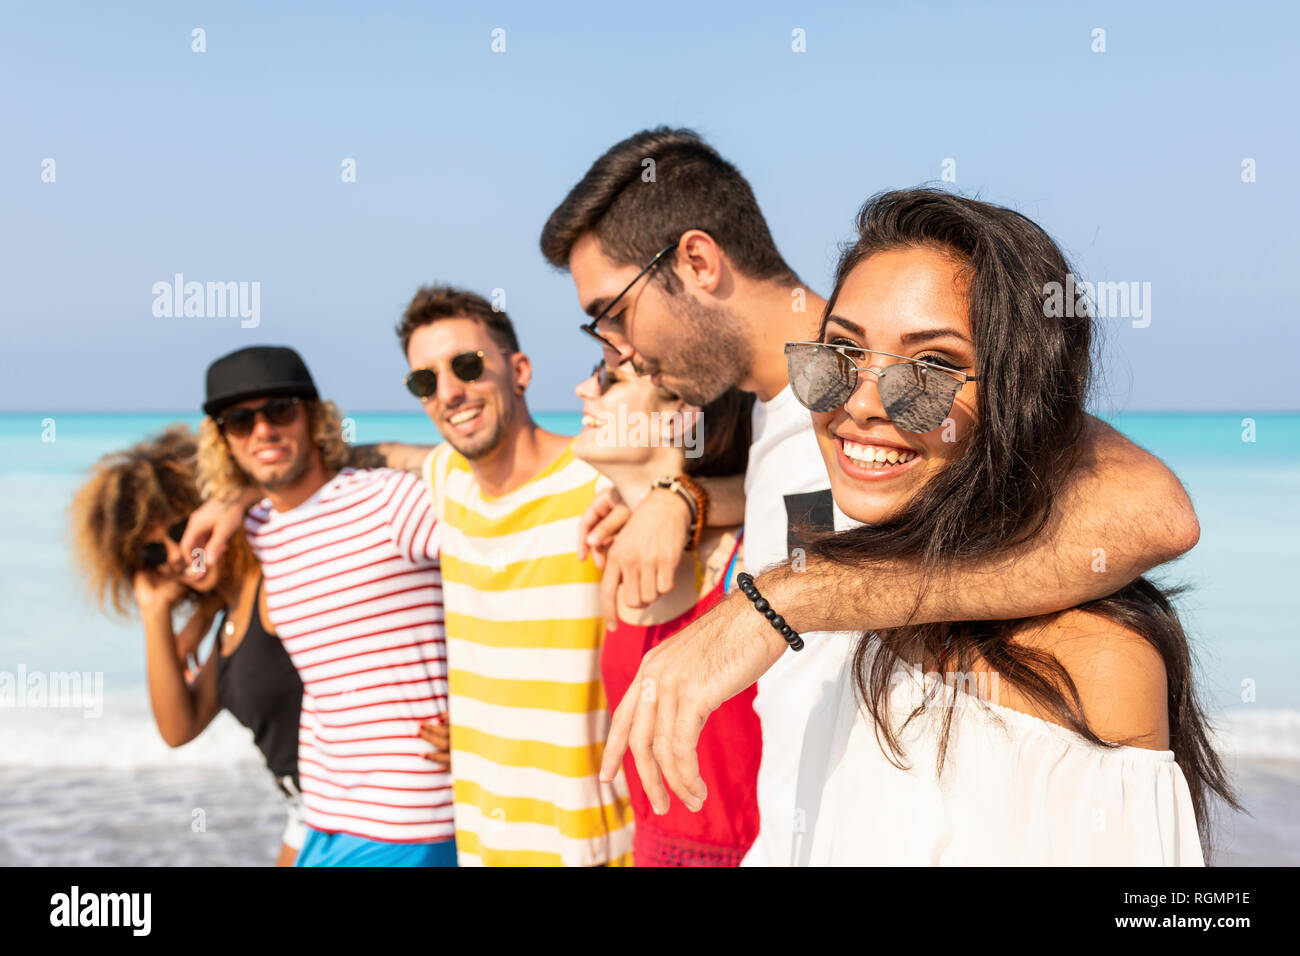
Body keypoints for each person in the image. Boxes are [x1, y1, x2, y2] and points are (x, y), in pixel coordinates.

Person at [541, 127, 1203, 866]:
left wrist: (780, 600)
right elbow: (812, 525)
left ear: (697, 260)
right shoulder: (794, 425)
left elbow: (1157, 511)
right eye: (843, 352)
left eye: (613, 313)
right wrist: (686, 498)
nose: (615, 351)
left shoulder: (1077, 674)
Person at [790, 188, 1236, 862]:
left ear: (1016, 398)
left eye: (931, 367)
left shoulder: (1089, 666)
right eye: (842, 353)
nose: (859, 403)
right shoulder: (862, 595)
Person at [190, 345, 454, 866]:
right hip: (324, 813)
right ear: (224, 440)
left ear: (313, 417)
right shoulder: (253, 529)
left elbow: (510, 572)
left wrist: (485, 714)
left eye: (280, 410)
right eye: (240, 420)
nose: (262, 430)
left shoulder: (390, 502)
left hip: (411, 814)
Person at [399, 285, 635, 866]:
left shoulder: (600, 484)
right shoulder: (445, 481)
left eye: (467, 366)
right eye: (425, 382)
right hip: (484, 848)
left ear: (519, 370)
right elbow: (383, 455)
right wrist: (235, 498)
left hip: (595, 849)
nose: (449, 392)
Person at [70, 425, 307, 866]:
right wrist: (154, 610)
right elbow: (180, 727)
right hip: (304, 813)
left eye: (180, 530)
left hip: (363, 807)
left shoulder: (277, 577)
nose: (176, 555)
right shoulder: (231, 622)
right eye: (154, 554)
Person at [573, 357, 759, 865]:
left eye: (611, 380)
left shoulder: (757, 554)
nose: (584, 388)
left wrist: (684, 497)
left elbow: (811, 493)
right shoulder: (607, 538)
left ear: (681, 412)